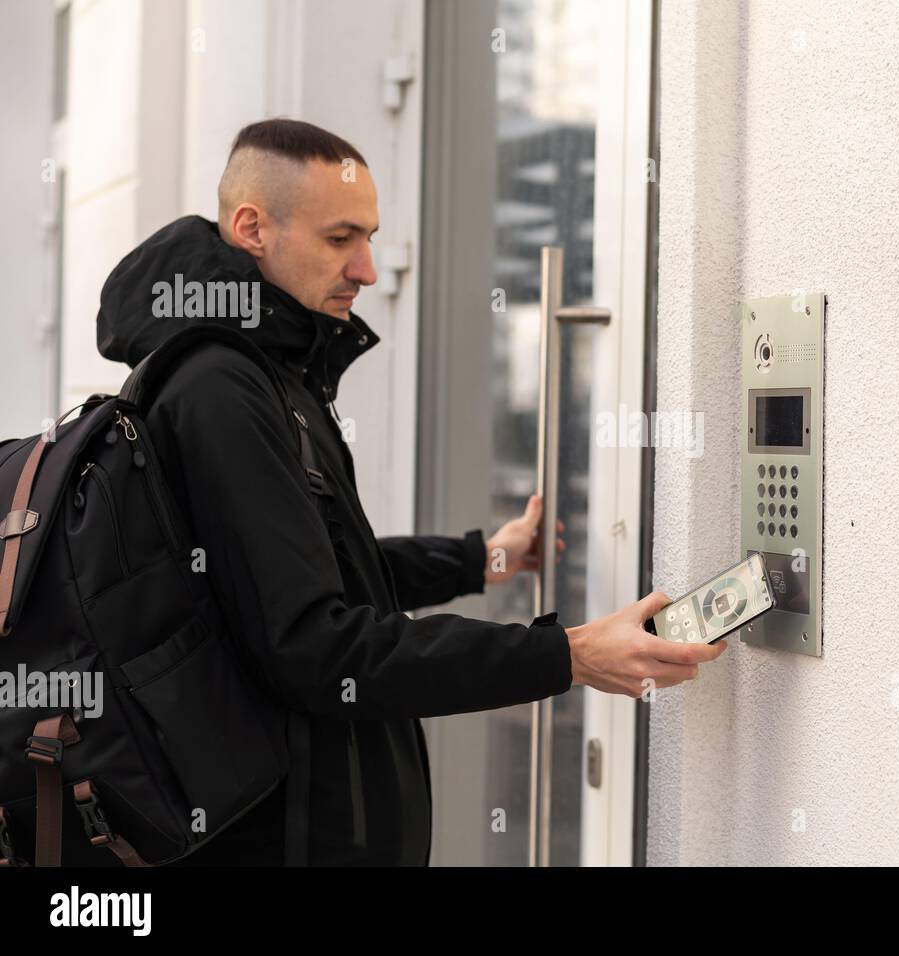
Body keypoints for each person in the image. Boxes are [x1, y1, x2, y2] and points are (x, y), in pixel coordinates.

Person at [94, 117, 727, 865]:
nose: (366, 268)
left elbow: (305, 578)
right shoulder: (220, 391)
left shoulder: (271, 376)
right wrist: (568, 654)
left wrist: (480, 561)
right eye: (340, 239)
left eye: (370, 236)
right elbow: (318, 647)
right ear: (252, 228)